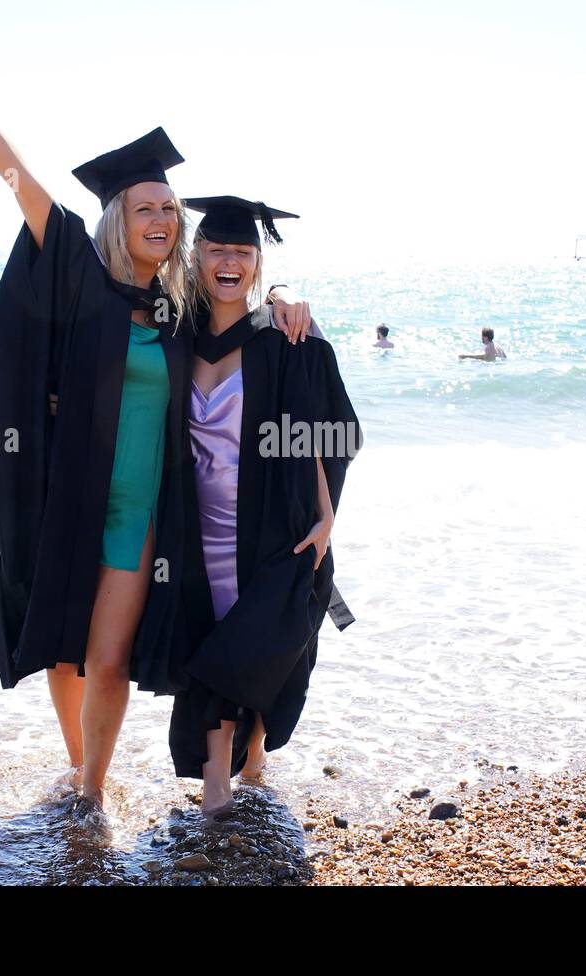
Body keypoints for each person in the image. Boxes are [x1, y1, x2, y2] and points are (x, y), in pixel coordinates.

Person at [0, 51, 312, 840]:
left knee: (108, 657)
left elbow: (242, 293)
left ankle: (90, 786)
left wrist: (286, 293)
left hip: (141, 513)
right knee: (63, 653)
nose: (161, 220)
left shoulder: (179, 308)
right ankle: (77, 761)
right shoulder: (80, 277)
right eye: (146, 207)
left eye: (170, 212)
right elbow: (17, 180)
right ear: (119, 217)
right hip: (69, 500)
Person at [137, 195, 361, 820]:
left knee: (261, 642)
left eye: (243, 251)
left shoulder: (287, 338)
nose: (228, 261)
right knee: (213, 644)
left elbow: (327, 430)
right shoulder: (176, 333)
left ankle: (252, 751)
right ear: (197, 256)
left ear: (258, 263)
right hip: (193, 525)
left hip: (268, 522)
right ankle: (216, 774)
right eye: (216, 249)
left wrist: (325, 514)